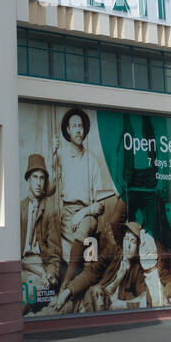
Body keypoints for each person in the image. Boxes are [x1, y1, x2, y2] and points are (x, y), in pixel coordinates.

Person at [49, 108, 124, 293]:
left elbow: (99, 205)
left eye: (81, 126)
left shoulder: (92, 162)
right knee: (58, 247)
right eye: (74, 126)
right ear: (67, 130)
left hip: (87, 214)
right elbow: (50, 190)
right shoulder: (61, 156)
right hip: (65, 215)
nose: (78, 131)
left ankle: (66, 286)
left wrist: (82, 213)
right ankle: (61, 287)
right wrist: (52, 157)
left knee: (86, 228)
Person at [19, 153, 61, 313]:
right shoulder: (20, 208)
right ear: (28, 179)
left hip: (39, 271)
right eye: (35, 177)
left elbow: (55, 254)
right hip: (19, 268)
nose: (38, 182)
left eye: (42, 178)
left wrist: (50, 275)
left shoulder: (50, 211)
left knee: (23, 300)